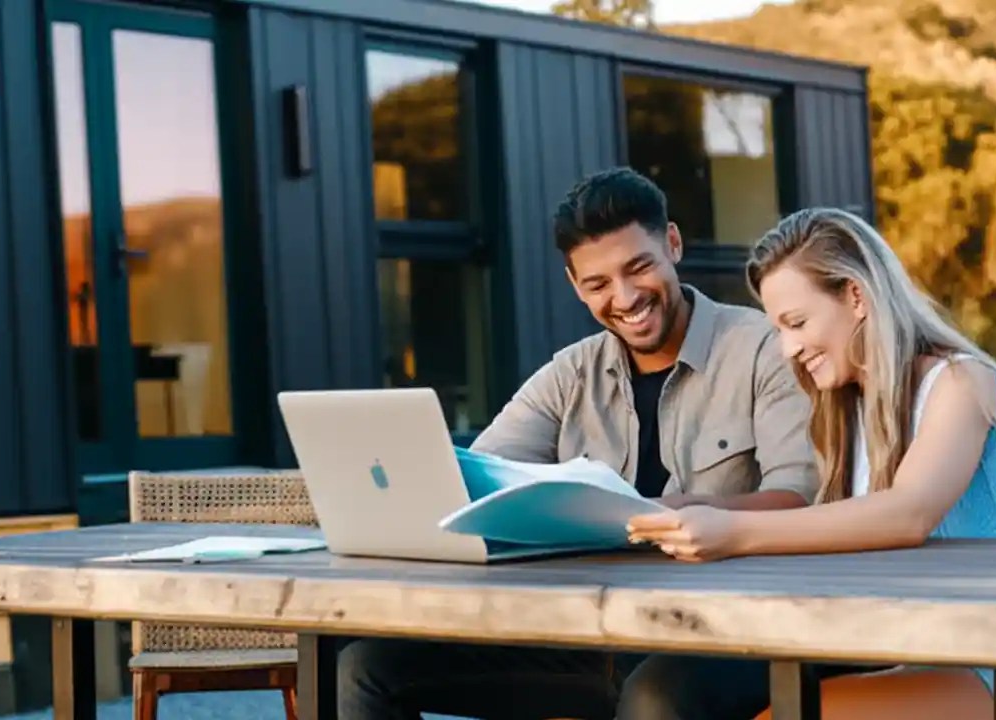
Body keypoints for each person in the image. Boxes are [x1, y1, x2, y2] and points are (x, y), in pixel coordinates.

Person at [336, 167, 825, 720]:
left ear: (672, 243)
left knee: (656, 697)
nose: (625, 297)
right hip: (590, 634)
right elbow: (475, 479)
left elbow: (796, 498)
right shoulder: (571, 375)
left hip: (723, 630)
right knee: (363, 668)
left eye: (639, 267)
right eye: (597, 284)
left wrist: (683, 511)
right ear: (575, 285)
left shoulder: (764, 350)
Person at [627, 207, 996, 719]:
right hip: (912, 654)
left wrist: (733, 532)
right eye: (778, 329)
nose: (788, 348)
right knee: (674, 690)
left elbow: (907, 513)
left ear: (855, 295)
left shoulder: (960, 383)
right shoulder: (846, 410)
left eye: (797, 323)